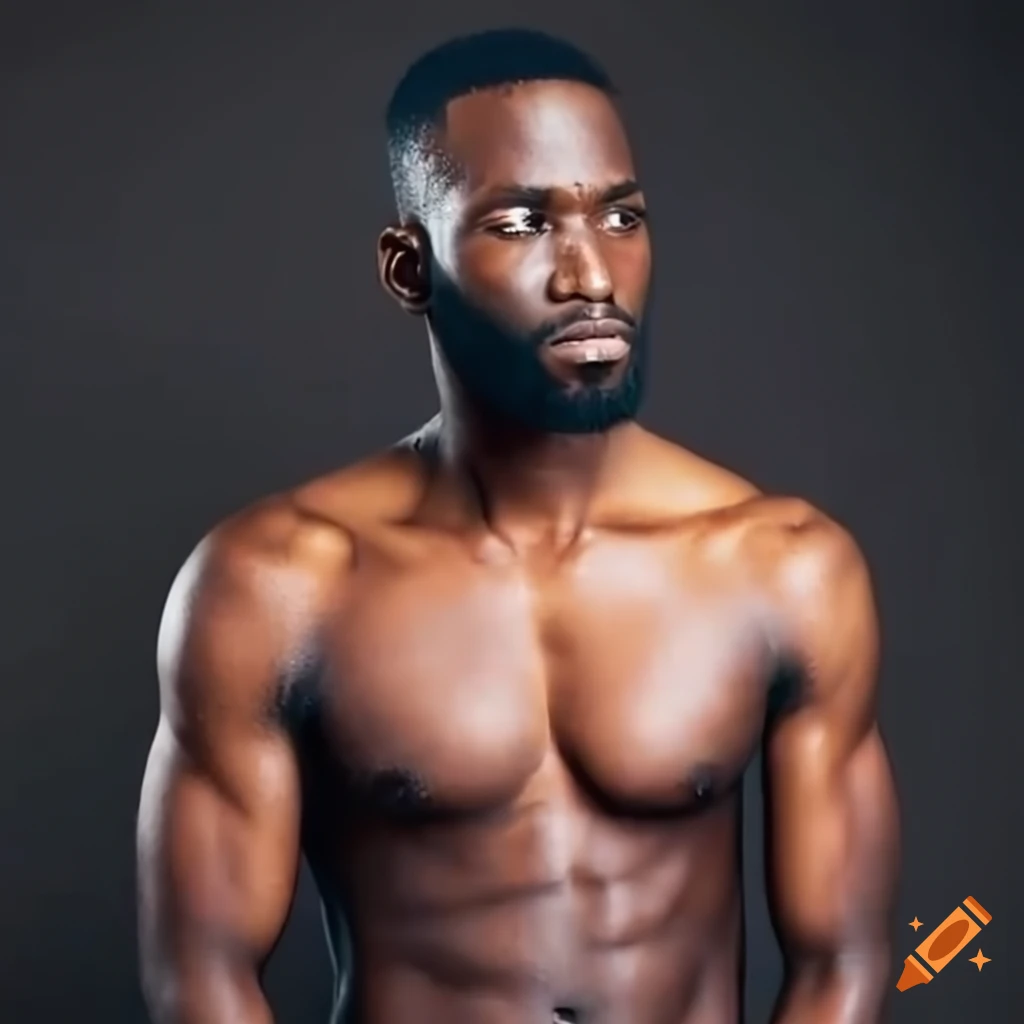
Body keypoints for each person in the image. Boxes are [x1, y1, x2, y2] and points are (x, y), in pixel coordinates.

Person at [136, 28, 900, 1024]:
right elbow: (201, 979)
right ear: (410, 269)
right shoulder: (277, 583)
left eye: (620, 216)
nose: (590, 276)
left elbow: (842, 966)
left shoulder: (782, 568)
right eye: (521, 223)